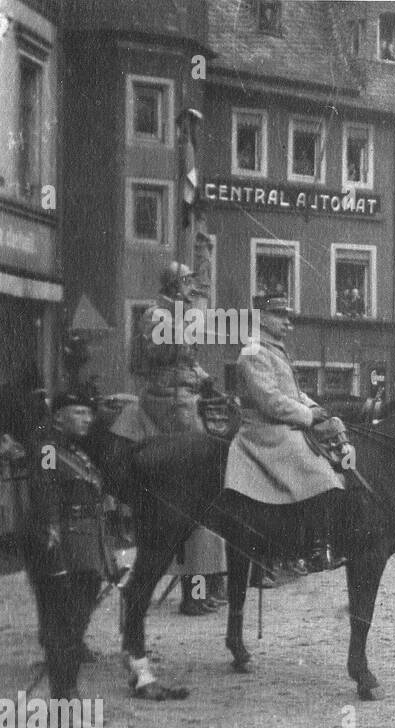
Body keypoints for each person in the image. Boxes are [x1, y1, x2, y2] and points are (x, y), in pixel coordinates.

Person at [24, 392, 187, 701]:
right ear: (58, 416)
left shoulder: (75, 451)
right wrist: (51, 547)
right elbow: (44, 494)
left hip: (87, 547)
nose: (87, 419)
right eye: (78, 413)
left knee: (76, 624)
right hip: (65, 548)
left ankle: (66, 693)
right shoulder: (48, 448)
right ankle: (65, 696)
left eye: (88, 413)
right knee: (66, 627)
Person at [111, 261, 228, 615]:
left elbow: (190, 360)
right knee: (199, 473)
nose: (193, 286)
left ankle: (206, 584)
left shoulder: (180, 313)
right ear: (174, 285)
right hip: (168, 399)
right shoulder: (155, 314)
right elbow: (159, 354)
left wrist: (206, 378)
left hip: (186, 394)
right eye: (188, 281)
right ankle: (193, 594)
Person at [223, 295, 344, 571]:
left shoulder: (273, 349)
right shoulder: (253, 351)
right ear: (261, 317)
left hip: (282, 423)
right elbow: (270, 400)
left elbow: (293, 393)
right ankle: (315, 548)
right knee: (318, 471)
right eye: (281, 315)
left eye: (288, 316)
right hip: (264, 428)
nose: (288, 322)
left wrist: (316, 409)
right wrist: (307, 416)